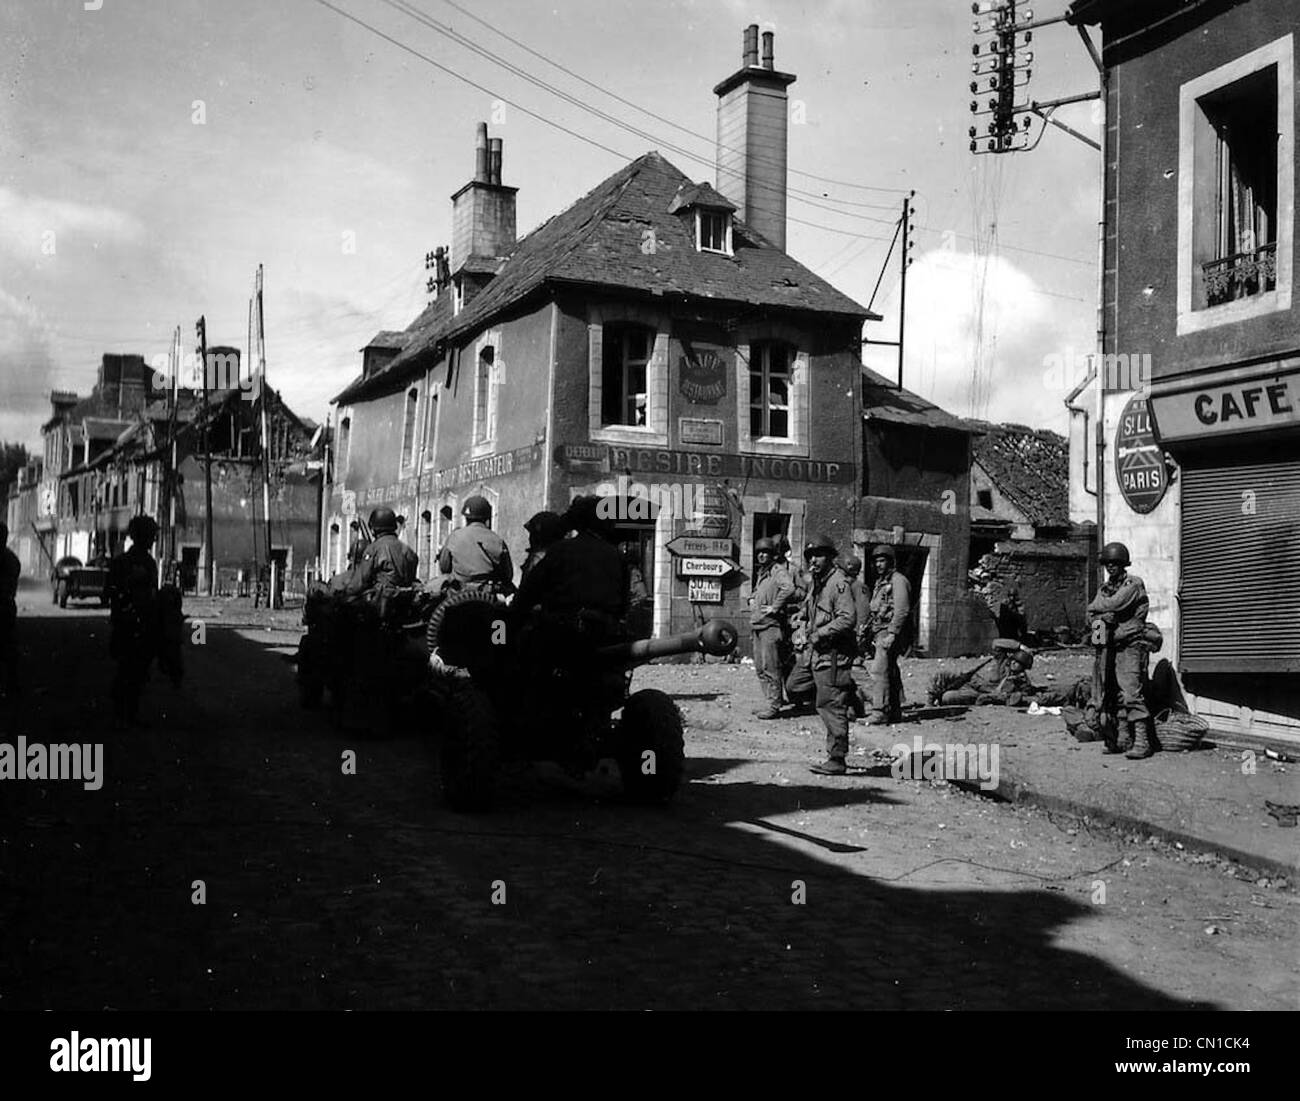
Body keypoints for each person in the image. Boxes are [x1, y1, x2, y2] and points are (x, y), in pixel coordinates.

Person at [784, 534, 858, 775]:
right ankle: (846, 693)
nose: (813, 561)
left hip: (833, 654)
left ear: (830, 557)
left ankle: (837, 759)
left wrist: (820, 633)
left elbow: (847, 619)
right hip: (815, 653)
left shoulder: (838, 584)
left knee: (830, 705)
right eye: (810, 557)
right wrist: (801, 617)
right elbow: (810, 608)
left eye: (819, 556)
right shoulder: (817, 582)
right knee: (794, 686)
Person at [1086, 541, 1154, 759]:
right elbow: (1091, 615)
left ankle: (1142, 742)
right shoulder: (1105, 588)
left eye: (1115, 563)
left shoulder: (1133, 584)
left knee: (1131, 693)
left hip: (1130, 645)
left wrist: (1098, 610)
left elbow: (1114, 604)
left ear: (1123, 564)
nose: (1111, 567)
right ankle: (1122, 739)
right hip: (1109, 647)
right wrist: (1098, 616)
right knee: (1111, 693)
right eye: (1107, 563)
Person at [107, 514, 161, 727]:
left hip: (139, 623)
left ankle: (127, 711)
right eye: (150, 536)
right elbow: (111, 591)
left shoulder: (146, 563)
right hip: (129, 623)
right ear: (141, 536)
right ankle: (124, 711)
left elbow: (153, 593)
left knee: (136, 669)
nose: (153, 540)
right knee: (130, 668)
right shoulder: (126, 562)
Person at [748, 536, 798, 719]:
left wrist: (775, 607)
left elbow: (789, 588)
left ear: (772, 555)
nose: (761, 555)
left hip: (770, 626)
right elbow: (758, 592)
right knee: (760, 668)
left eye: (765, 553)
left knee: (771, 667)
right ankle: (770, 700)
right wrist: (751, 599)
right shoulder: (762, 573)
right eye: (759, 553)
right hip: (758, 625)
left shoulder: (778, 571)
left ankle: (774, 706)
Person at [864, 544, 912, 725]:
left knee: (879, 670)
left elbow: (902, 610)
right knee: (889, 670)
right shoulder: (881, 582)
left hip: (889, 631)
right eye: (876, 561)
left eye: (882, 561)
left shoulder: (898, 581)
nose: (878, 564)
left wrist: (892, 633)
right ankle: (894, 711)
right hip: (880, 631)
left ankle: (879, 711)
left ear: (891, 562)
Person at [438, 495, 515, 595]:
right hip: (488, 596)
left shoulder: (454, 536)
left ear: (466, 518)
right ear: (487, 518)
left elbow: (444, 567)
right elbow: (508, 575)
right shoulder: (497, 540)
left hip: (459, 595)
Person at [0, 522, 20, 698]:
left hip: (3, 606)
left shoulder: (8, 560)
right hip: (7, 607)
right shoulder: (12, 559)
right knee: (8, 647)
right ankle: (12, 686)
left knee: (7, 647)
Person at [520, 511, 565, 587]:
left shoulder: (538, 560)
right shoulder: (564, 557)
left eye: (532, 534)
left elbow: (527, 590)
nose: (530, 538)